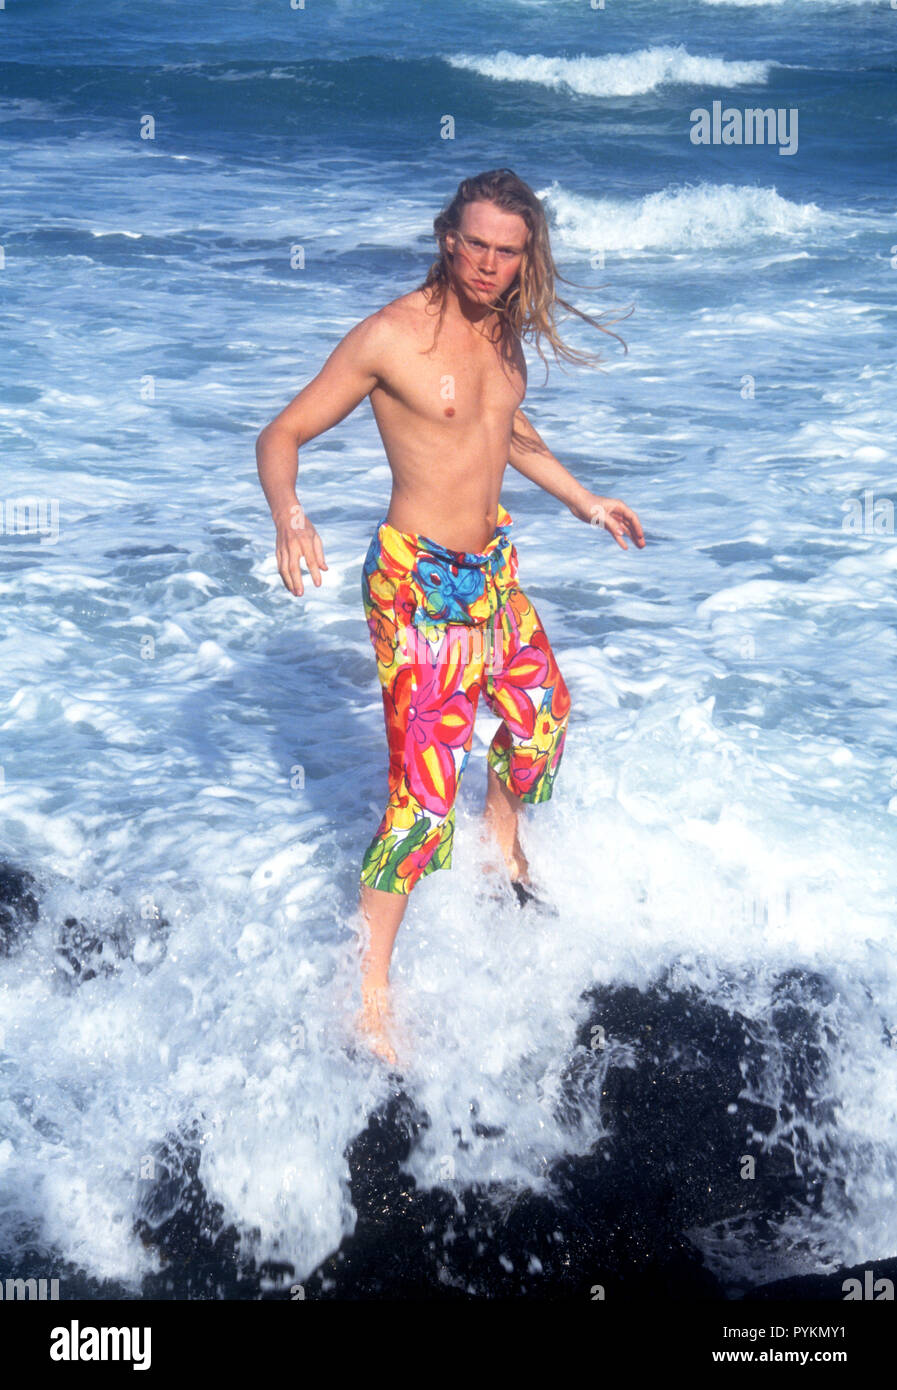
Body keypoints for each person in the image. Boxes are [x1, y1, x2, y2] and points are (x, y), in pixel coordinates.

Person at [256, 169, 645, 1064]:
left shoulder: (502, 326)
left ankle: (501, 848)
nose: (489, 263)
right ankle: (370, 993)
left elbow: (504, 427)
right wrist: (290, 514)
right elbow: (279, 435)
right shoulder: (391, 336)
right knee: (420, 805)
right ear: (446, 237)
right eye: (475, 243)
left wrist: (584, 500)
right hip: (417, 587)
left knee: (543, 718)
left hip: (491, 572)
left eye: (508, 251)